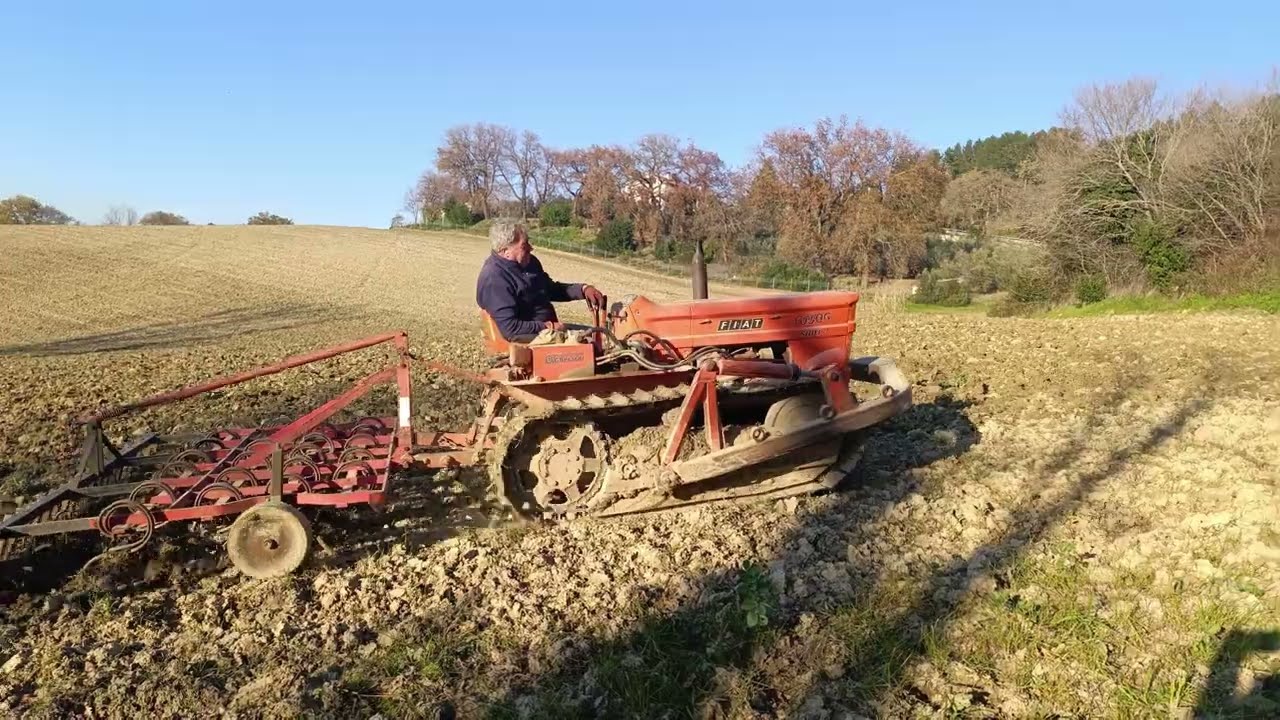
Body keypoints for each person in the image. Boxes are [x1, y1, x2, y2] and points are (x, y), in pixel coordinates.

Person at [475, 221, 605, 342]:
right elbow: (511, 329)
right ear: (505, 251)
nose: (531, 248)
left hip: (548, 331)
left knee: (603, 337)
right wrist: (548, 326)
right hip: (528, 341)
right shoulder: (494, 278)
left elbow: (549, 289)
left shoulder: (529, 263)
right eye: (524, 246)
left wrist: (583, 290)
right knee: (593, 345)